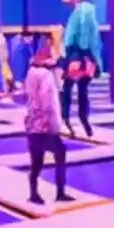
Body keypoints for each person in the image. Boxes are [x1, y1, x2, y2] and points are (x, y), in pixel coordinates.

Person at [24, 38, 73, 205]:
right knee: (60, 154)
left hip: (32, 124)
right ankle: (59, 192)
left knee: (36, 161)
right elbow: (48, 103)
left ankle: (34, 193)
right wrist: (54, 125)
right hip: (44, 125)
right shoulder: (45, 75)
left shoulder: (31, 72)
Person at [60, 0, 101, 138]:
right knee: (80, 90)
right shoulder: (84, 9)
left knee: (69, 88)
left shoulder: (83, 10)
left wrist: (86, 55)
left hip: (78, 53)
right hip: (82, 52)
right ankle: (81, 121)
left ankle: (69, 119)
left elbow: (83, 33)